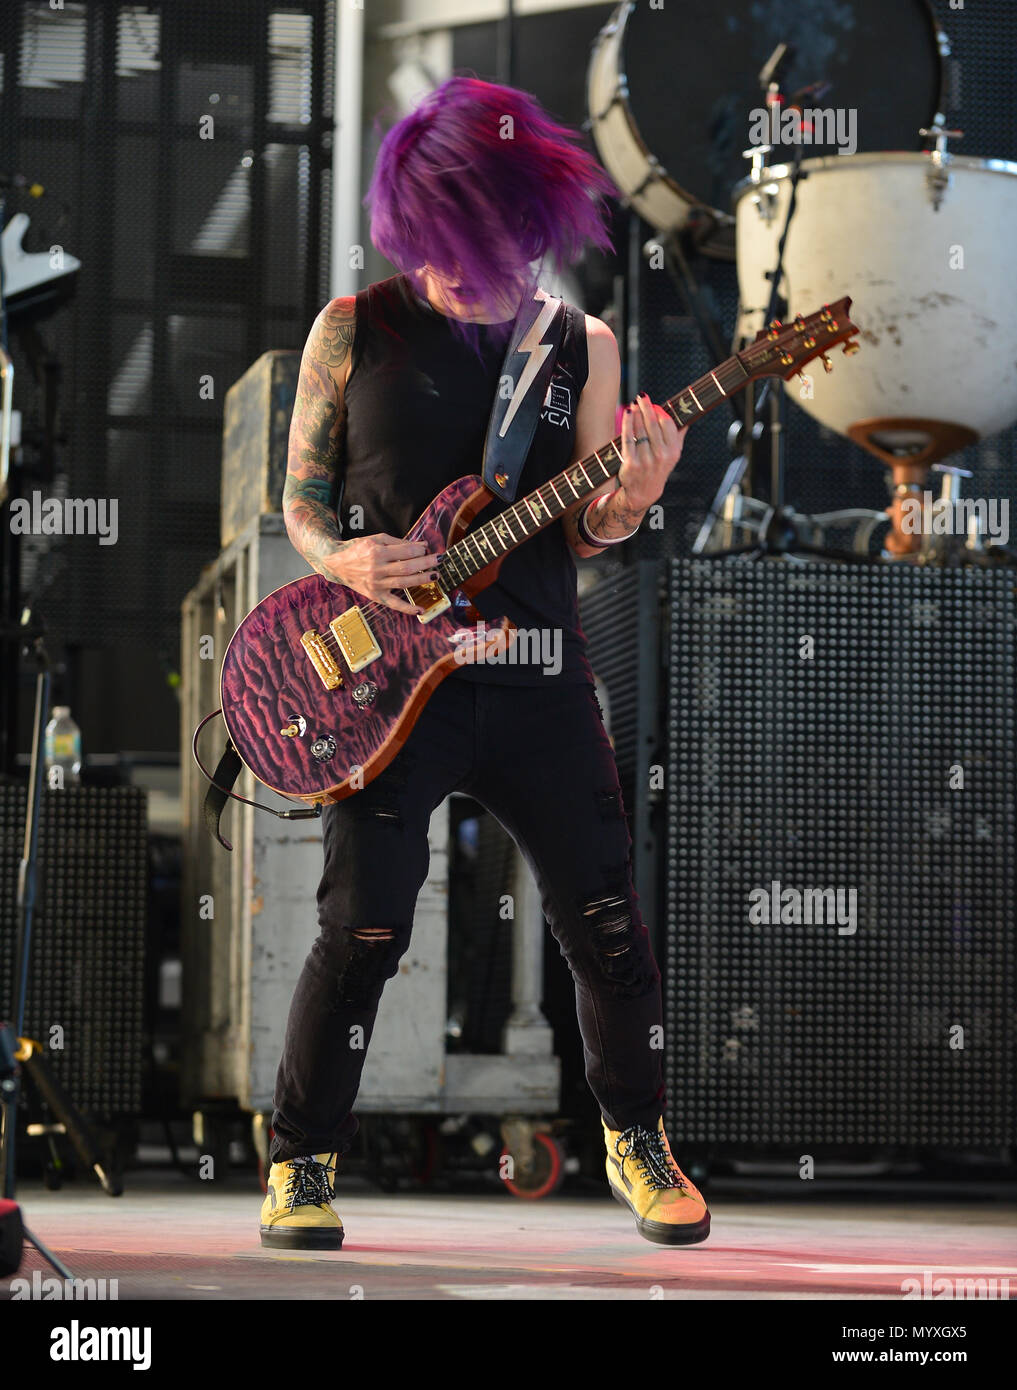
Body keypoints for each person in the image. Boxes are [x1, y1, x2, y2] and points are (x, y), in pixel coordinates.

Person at [258, 75, 709, 1249]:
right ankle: (300, 1162)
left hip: (535, 668)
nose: (454, 272)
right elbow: (300, 502)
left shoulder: (583, 346)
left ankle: (639, 1138)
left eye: (475, 244)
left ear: (523, 219)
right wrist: (347, 560)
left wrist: (635, 497)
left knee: (605, 914)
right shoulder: (353, 327)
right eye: (435, 248)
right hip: (385, 682)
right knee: (362, 925)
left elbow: (593, 524)